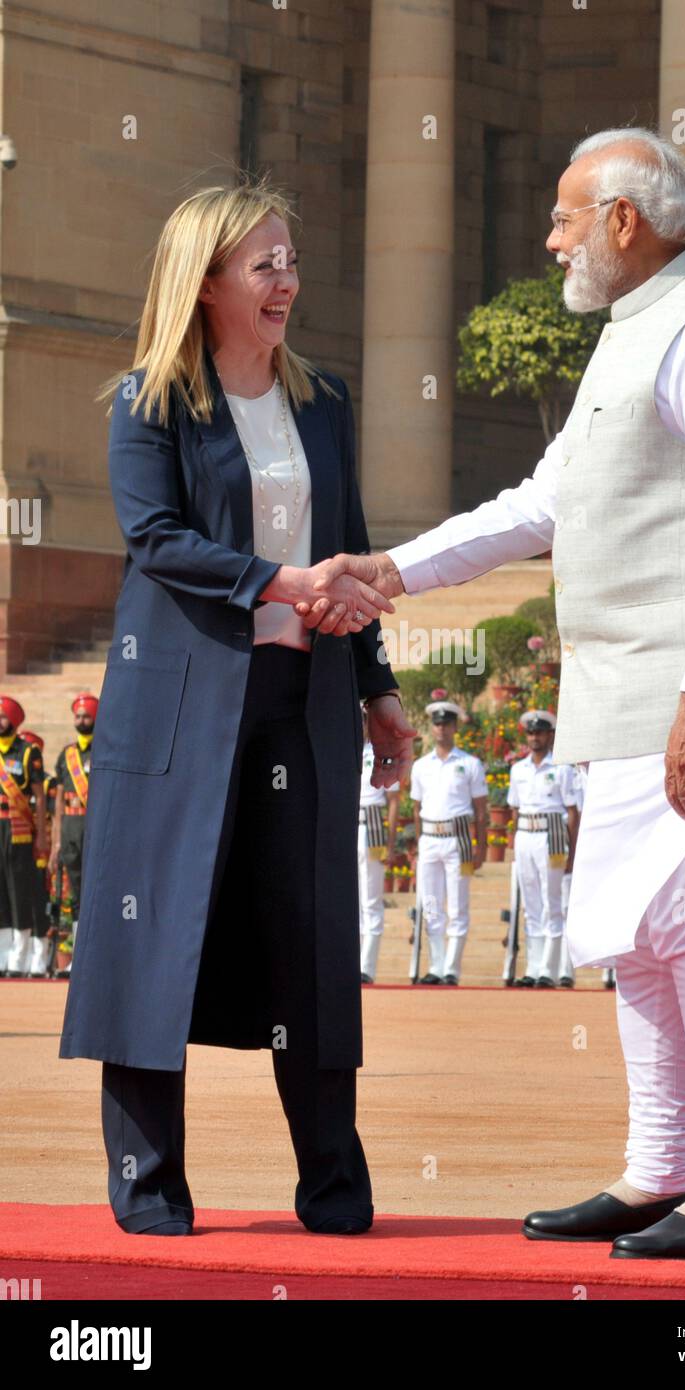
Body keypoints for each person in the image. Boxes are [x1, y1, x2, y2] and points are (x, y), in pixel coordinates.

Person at [304, 128, 685, 1259]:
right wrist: (395, 570)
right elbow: (538, 500)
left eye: (564, 215)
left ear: (623, 221)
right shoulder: (631, 334)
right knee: (635, 937)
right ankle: (661, 1167)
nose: (549, 234)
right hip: (627, 694)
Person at [58, 176, 415, 1238]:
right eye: (264, 264)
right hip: (176, 713)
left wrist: (379, 686)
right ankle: (150, 1183)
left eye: (290, 262)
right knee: (152, 929)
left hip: (301, 701)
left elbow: (344, 548)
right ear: (205, 279)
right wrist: (282, 580)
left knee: (307, 936)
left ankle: (333, 1185)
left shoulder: (325, 403)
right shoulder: (149, 401)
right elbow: (156, 538)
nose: (286, 282)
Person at [409, 701, 488, 985]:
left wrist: (480, 848)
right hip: (430, 838)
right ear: (432, 727)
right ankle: (436, 965)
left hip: (459, 839)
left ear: (455, 727)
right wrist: (418, 845)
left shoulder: (470, 763)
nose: (441, 729)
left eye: (446, 724)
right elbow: (417, 809)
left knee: (457, 906)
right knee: (431, 906)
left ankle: (452, 968)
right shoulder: (420, 766)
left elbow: (481, 810)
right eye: (437, 724)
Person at [506, 710, 580, 987]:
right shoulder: (518, 769)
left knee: (553, 903)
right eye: (530, 733)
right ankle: (533, 967)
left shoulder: (561, 768)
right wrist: (516, 844)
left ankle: (549, 968)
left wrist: (572, 852)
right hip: (526, 834)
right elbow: (514, 810)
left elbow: (572, 813)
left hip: (552, 836)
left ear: (551, 735)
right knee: (531, 904)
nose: (534, 737)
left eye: (540, 732)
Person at [48, 695, 98, 974]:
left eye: (86, 716)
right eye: (77, 716)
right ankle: (79, 953)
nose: (81, 721)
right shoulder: (66, 755)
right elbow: (57, 801)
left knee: (94, 890)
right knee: (76, 892)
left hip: (93, 827)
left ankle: (92, 955)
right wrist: (56, 839)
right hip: (69, 827)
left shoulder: (103, 749)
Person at [0, 696, 49, 977]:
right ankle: (3, 955)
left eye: (4, 716)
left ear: (15, 721)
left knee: (18, 891)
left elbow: (40, 798)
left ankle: (19, 959)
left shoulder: (28, 752)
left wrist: (42, 833)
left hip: (18, 829)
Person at [357, 703, 401, 983]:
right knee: (351, 900)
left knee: (371, 900)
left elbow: (394, 802)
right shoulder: (344, 751)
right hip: (346, 827)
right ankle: (351, 961)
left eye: (364, 721)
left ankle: (367, 966)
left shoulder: (382, 755)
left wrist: (391, 842)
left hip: (371, 828)